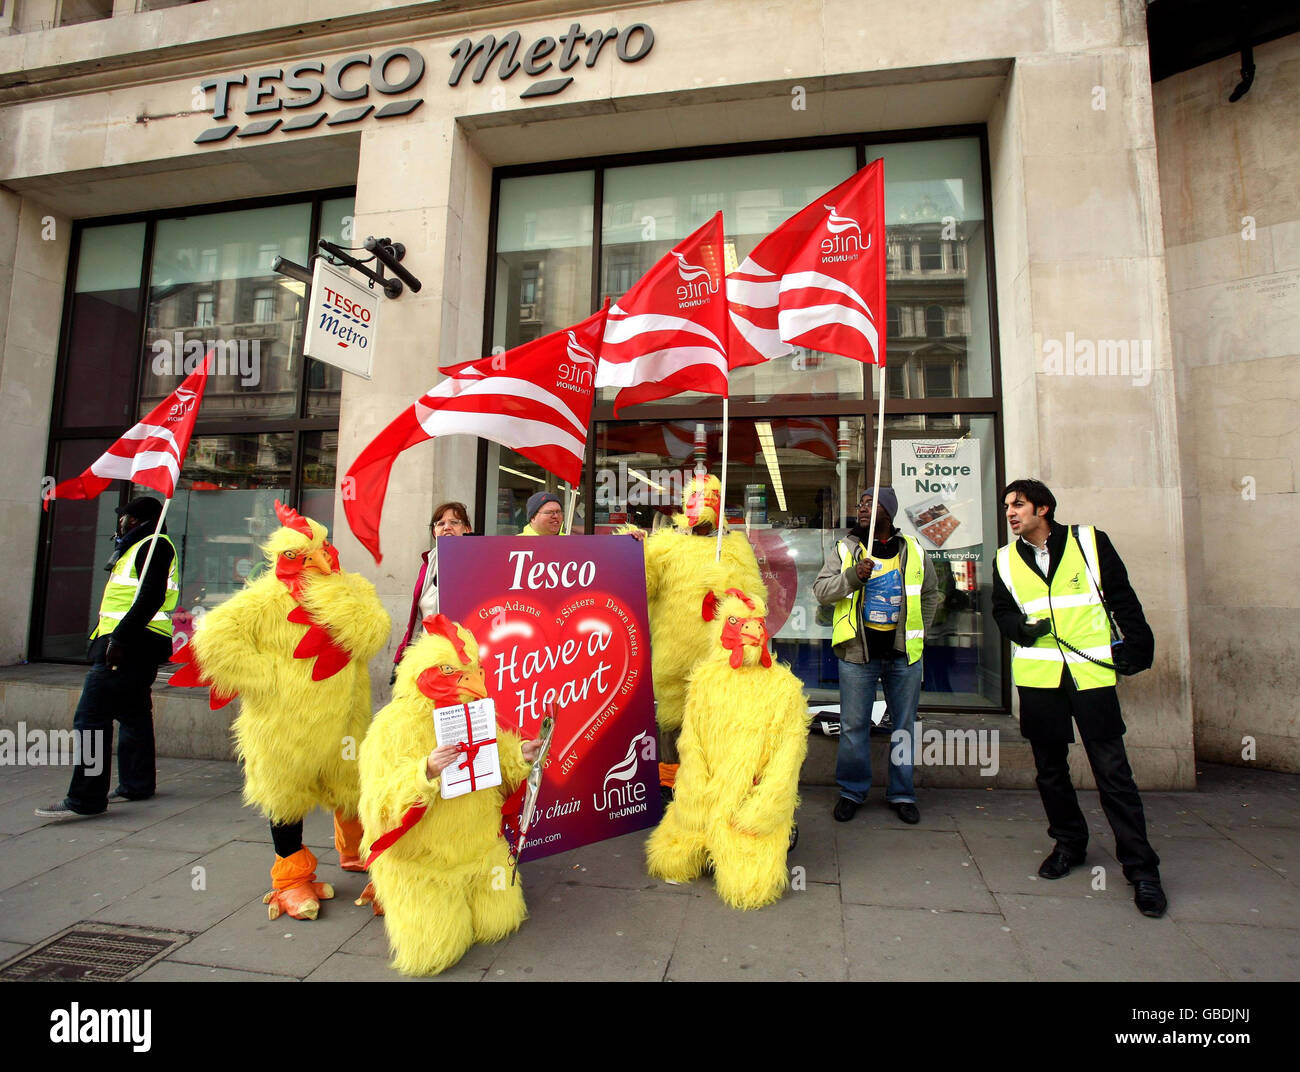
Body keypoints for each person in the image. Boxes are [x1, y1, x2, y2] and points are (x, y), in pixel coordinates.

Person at [992, 478, 1166, 918]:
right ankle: (1069, 843)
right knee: (1050, 771)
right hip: (1038, 679)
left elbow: (1122, 598)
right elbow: (1001, 610)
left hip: (1090, 676)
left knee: (1112, 772)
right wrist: (1019, 629)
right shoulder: (1004, 559)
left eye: (1019, 505)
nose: (1011, 512)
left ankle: (1142, 870)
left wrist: (1138, 648)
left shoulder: (1089, 542)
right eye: (1008, 506)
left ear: (1043, 509)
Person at [36, 497, 179, 820]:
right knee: (133, 715)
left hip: (127, 645)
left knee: (90, 719)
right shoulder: (143, 545)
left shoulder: (153, 544)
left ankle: (85, 799)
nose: (121, 522)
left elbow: (151, 596)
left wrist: (119, 638)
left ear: (136, 520)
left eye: (125, 517)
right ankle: (136, 784)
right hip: (137, 643)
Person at [813, 486, 939, 825]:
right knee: (854, 726)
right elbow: (821, 592)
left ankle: (902, 793)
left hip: (903, 656)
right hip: (858, 655)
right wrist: (853, 576)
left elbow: (930, 593)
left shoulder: (911, 549)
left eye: (872, 502)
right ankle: (852, 791)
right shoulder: (847, 548)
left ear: (889, 510)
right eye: (861, 502)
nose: (863, 507)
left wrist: (920, 632)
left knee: (904, 726)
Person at [392, 501, 472, 676]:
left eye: (454, 522)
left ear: (467, 529)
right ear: (434, 532)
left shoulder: (476, 564)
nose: (447, 527)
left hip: (463, 661)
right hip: (428, 659)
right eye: (440, 523)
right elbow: (417, 619)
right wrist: (401, 659)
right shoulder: (428, 566)